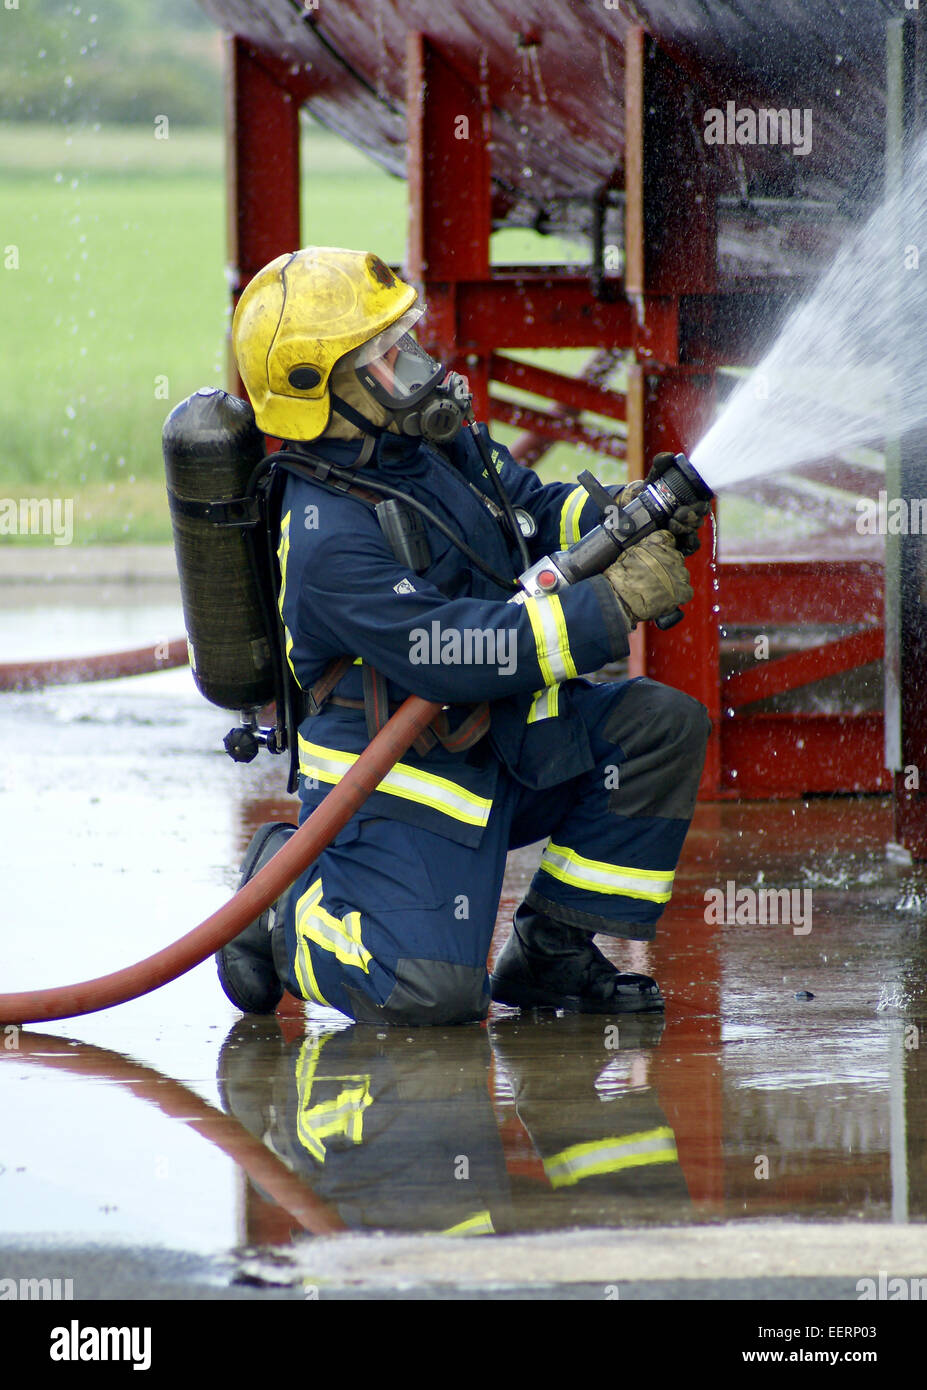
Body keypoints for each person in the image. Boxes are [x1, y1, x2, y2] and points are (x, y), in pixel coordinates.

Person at [217, 246, 710, 1027]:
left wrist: (626, 512)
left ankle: (551, 954)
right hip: (401, 784)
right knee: (433, 997)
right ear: (325, 390)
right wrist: (609, 604)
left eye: (404, 340)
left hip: (501, 742)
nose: (413, 365)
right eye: (385, 356)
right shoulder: (324, 538)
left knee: (658, 728)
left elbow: (530, 511)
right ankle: (284, 910)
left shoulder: (430, 445)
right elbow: (450, 651)